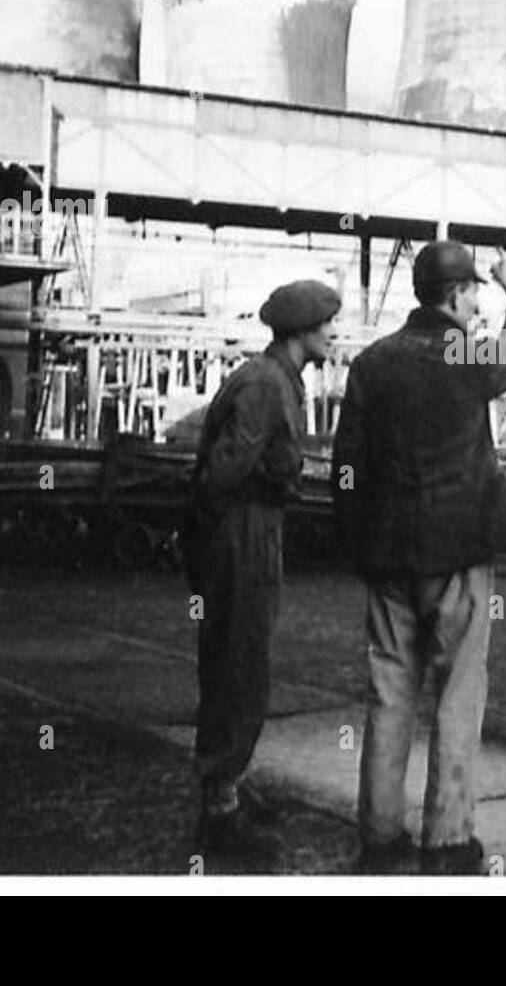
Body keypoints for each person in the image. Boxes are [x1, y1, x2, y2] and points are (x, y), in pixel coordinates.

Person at [332, 240, 506, 875]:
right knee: (457, 690)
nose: (478, 302)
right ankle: (447, 838)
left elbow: (345, 469)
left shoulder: (371, 364)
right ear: (454, 295)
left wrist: (358, 541)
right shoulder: (466, 355)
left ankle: (380, 833)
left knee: (388, 692)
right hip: (458, 555)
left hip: (388, 556)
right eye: (474, 290)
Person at [186, 279, 342, 858]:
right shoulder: (265, 384)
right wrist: (217, 544)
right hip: (242, 534)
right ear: (301, 328)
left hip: (252, 530)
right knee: (239, 665)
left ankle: (227, 781)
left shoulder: (277, 379)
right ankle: (220, 806)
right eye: (326, 324)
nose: (332, 332)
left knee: (240, 661)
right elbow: (224, 471)